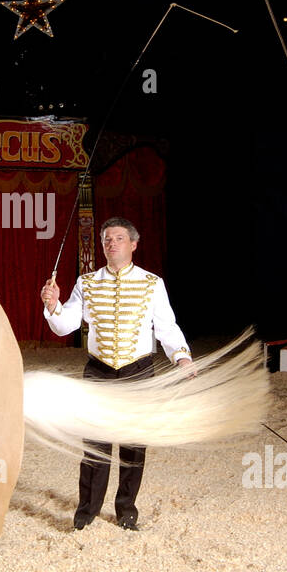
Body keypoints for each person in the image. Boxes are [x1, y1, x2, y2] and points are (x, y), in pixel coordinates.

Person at [40, 217, 194, 532]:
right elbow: (65, 325)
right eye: (107, 239)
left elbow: (166, 326)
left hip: (138, 369)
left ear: (133, 244)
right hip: (98, 370)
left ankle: (126, 510)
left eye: (119, 238)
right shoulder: (87, 282)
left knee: (134, 444)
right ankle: (86, 512)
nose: (112, 243)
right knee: (95, 444)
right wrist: (54, 306)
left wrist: (181, 357)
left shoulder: (153, 283)